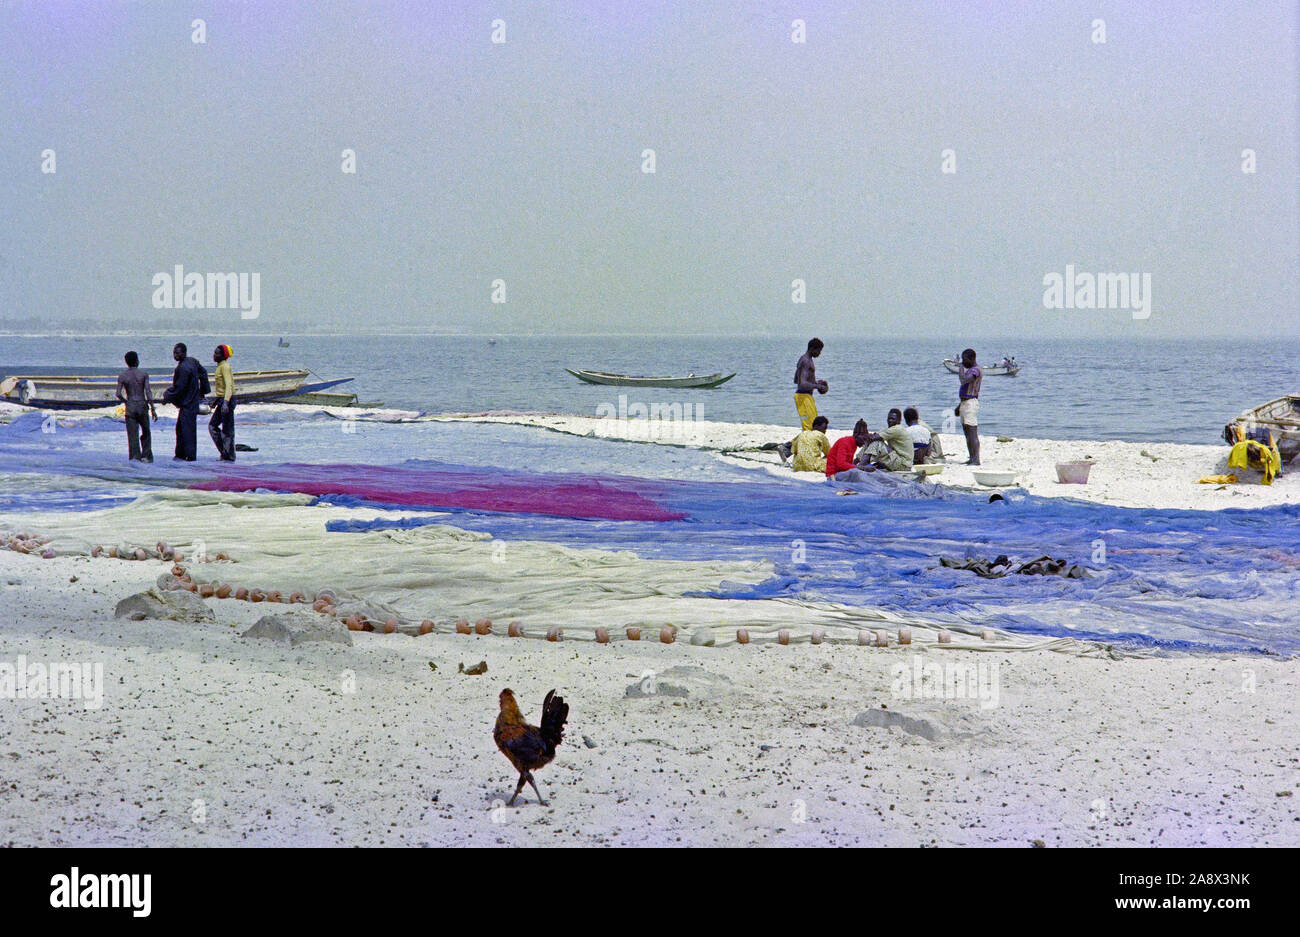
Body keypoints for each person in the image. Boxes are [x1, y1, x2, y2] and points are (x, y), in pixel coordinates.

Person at [779, 338, 828, 462]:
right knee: (810, 430)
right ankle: (787, 447)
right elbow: (801, 384)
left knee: (812, 428)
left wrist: (816, 383)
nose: (819, 354)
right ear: (812, 348)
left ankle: (788, 449)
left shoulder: (804, 360)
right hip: (803, 397)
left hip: (807, 397)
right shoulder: (806, 361)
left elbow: (797, 380)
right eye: (819, 351)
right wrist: (817, 386)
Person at [160, 342, 208, 461]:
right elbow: (204, 373)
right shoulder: (193, 361)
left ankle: (190, 456)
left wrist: (167, 397)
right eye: (174, 352)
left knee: (187, 430)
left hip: (188, 404)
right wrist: (203, 391)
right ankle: (181, 454)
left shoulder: (182, 368)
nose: (175, 355)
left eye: (177, 352)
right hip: (192, 401)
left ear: (184, 353)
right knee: (181, 428)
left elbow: (179, 388)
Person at [114, 350, 157, 462]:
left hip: (131, 405)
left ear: (126, 362)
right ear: (137, 361)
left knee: (132, 435)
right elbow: (148, 392)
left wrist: (126, 401)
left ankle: (135, 458)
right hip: (142, 404)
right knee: (146, 432)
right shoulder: (143, 374)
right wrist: (153, 408)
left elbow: (118, 394)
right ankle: (146, 456)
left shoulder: (123, 376)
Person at [857, 408, 914, 472]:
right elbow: (875, 435)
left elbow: (874, 437)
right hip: (899, 461)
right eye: (889, 418)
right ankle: (857, 461)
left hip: (903, 465)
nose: (890, 421)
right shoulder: (893, 429)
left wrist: (862, 434)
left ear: (899, 420)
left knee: (877, 443)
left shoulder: (897, 429)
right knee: (873, 441)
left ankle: (860, 465)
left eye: (892, 419)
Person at [208, 344, 236, 462]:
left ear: (223, 356)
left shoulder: (225, 367)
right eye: (214, 353)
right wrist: (215, 402)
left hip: (227, 400)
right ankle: (225, 452)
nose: (214, 355)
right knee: (212, 426)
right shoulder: (219, 367)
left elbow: (229, 385)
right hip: (222, 400)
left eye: (217, 353)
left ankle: (229, 455)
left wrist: (225, 403)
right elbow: (222, 388)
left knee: (227, 430)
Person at [954, 348, 982, 465]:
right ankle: (971, 457)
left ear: (971, 359)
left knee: (972, 432)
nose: (964, 363)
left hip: (971, 403)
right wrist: (959, 406)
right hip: (965, 402)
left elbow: (964, 381)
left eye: (965, 360)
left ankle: (976, 459)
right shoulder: (970, 370)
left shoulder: (975, 371)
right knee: (967, 433)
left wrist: (960, 368)